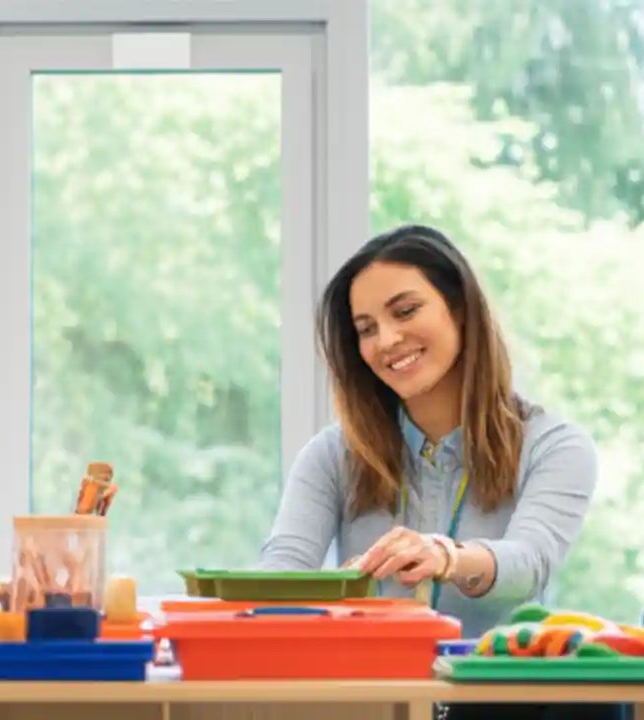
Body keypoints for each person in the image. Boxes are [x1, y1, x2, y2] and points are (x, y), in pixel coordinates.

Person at [259, 224, 622, 720]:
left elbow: (529, 563)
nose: (387, 340)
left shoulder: (555, 446)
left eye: (405, 311)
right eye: (365, 329)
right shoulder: (331, 455)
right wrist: (329, 596)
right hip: (372, 701)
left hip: (499, 704)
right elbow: (279, 574)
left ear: (462, 310)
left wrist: (446, 557)